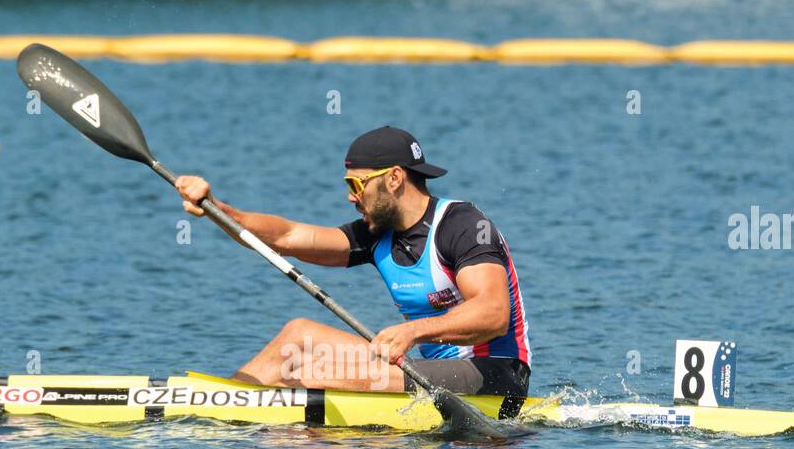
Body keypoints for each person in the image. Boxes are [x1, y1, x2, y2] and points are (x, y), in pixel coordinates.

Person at [174, 126, 532, 399]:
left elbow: (493, 313)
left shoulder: (464, 225)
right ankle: (219, 410)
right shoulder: (378, 233)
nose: (350, 196)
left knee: (315, 373)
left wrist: (411, 331)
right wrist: (215, 208)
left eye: (356, 184)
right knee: (297, 336)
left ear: (394, 178)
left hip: (494, 376)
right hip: (428, 369)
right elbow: (285, 237)